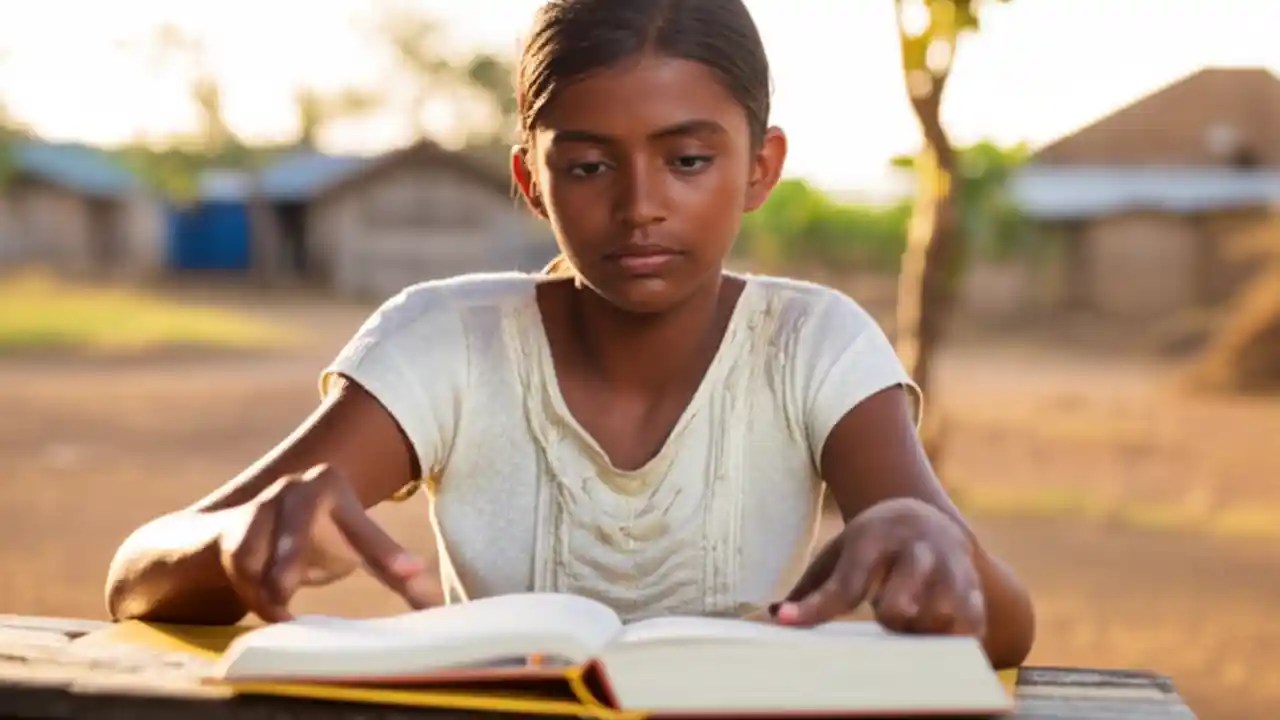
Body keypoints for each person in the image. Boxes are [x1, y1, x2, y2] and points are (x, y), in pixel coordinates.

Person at [105, 0, 1035, 669]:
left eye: (688, 160)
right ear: (530, 177)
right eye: (587, 165)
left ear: (761, 167)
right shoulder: (447, 342)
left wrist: (929, 542)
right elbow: (135, 577)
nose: (640, 207)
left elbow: (1009, 629)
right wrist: (236, 545)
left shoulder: (812, 344)